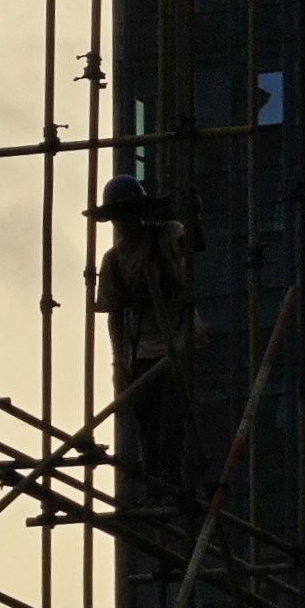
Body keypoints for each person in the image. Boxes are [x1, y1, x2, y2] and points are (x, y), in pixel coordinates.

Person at [91, 177, 201, 506]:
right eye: (119, 216)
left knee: (172, 418)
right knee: (147, 425)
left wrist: (196, 215)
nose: (126, 222)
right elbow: (114, 318)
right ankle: (156, 488)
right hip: (142, 353)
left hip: (181, 342)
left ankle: (174, 484)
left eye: (131, 214)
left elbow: (194, 245)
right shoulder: (113, 261)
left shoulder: (166, 235)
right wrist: (120, 364)